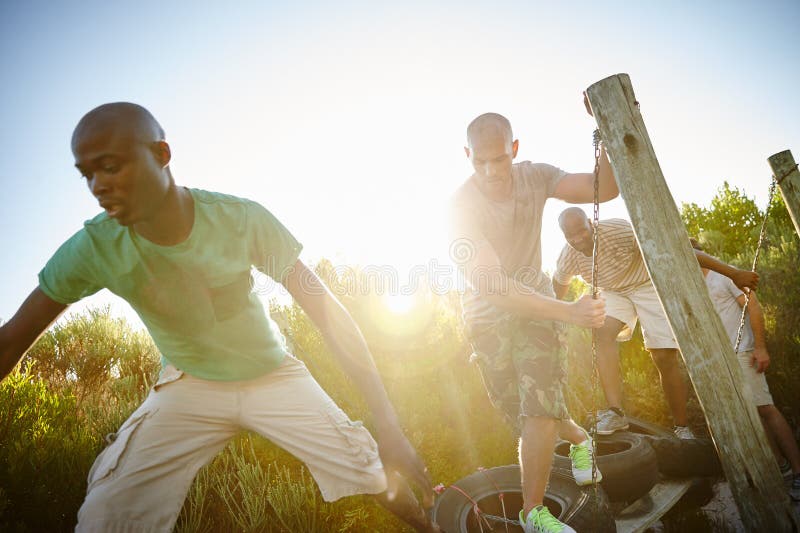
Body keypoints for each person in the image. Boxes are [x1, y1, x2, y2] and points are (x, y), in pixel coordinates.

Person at [0, 102, 440, 532]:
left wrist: (389, 426)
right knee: (107, 513)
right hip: (189, 384)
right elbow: (10, 341)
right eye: (87, 174)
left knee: (376, 470)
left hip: (274, 376)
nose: (98, 185)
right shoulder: (93, 249)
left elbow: (329, 316)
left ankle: (439, 527)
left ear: (161, 155)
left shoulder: (241, 220)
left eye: (111, 166)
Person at [449, 103, 614, 533]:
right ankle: (580, 439)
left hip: (537, 308)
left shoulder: (536, 176)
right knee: (526, 414)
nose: (490, 170)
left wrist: (607, 127)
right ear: (467, 156)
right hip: (487, 317)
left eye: (499, 158)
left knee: (540, 407)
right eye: (480, 160)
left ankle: (533, 514)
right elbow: (495, 287)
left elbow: (606, 188)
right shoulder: (459, 207)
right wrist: (570, 311)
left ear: (514, 148)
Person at [552, 209, 759, 440]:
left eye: (581, 230)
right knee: (601, 333)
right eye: (570, 235)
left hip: (646, 283)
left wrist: (732, 273)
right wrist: (551, 316)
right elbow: (558, 287)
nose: (578, 238)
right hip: (613, 291)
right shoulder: (568, 256)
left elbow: (677, 250)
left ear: (591, 223)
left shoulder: (619, 231)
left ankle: (681, 427)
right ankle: (615, 412)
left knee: (663, 355)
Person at [691, 239, 800, 501]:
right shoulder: (695, 285)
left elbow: (752, 305)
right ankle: (781, 468)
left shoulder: (723, 274)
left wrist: (760, 347)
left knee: (765, 407)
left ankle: (798, 471)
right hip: (723, 358)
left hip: (744, 351)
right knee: (749, 414)